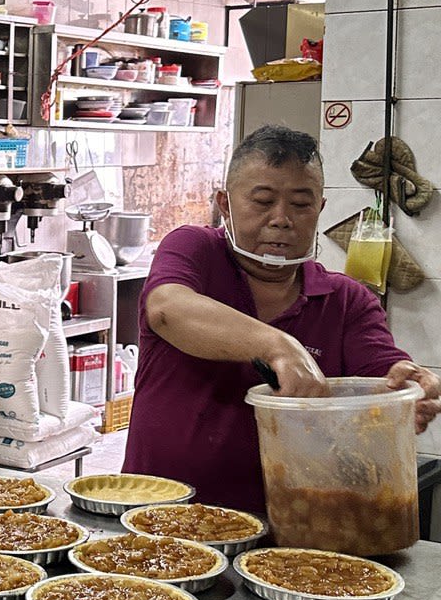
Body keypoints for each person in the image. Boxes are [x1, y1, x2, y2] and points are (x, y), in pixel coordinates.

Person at [122, 125, 441, 513]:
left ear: (320, 209)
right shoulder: (194, 250)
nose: (281, 219)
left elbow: (383, 378)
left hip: (292, 526)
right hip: (158, 513)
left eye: (301, 204)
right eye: (262, 201)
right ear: (225, 204)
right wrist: (280, 347)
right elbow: (167, 309)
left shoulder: (345, 300)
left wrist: (410, 391)